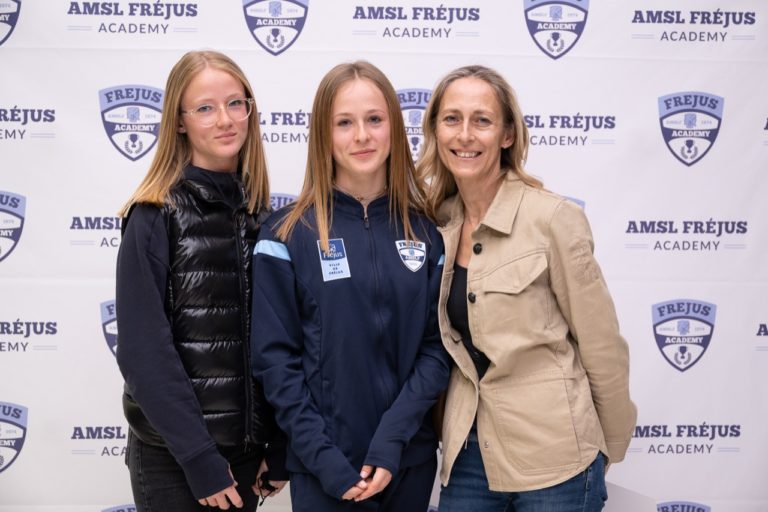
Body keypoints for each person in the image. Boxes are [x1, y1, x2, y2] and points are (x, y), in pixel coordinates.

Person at [416, 65, 637, 511]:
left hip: (555, 455)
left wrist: (607, 446)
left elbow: (601, 344)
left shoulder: (552, 218)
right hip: (469, 452)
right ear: (435, 131)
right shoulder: (435, 223)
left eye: (482, 120)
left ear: (508, 135)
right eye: (452, 118)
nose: (465, 134)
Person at [249, 61, 451, 512]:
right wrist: (324, 460)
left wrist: (391, 444)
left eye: (374, 120)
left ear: (395, 129)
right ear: (324, 133)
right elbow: (275, 364)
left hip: (405, 463)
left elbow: (437, 350)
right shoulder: (286, 236)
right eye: (344, 122)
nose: (362, 135)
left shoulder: (426, 233)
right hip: (325, 471)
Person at [115, 50, 287, 511]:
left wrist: (279, 444)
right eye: (206, 108)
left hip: (249, 460)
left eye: (236, 103)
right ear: (179, 121)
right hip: (177, 464)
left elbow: (281, 344)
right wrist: (198, 458)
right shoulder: (154, 216)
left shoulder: (263, 219)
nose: (226, 120)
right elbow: (143, 352)